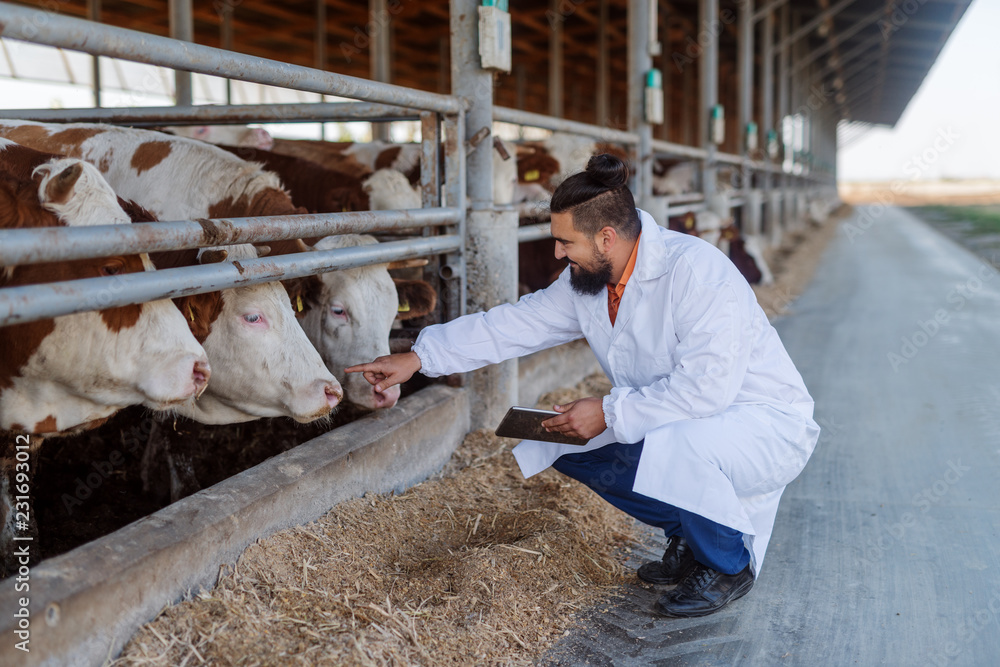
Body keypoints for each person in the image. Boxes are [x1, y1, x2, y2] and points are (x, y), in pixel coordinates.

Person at [346, 154, 820, 618]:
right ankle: (694, 537)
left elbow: (706, 391)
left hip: (760, 423)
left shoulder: (698, 273)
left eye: (565, 242)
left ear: (606, 238)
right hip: (677, 418)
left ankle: (728, 564)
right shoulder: (587, 279)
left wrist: (609, 413)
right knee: (560, 441)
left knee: (671, 443)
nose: (556, 253)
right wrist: (419, 357)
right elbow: (514, 324)